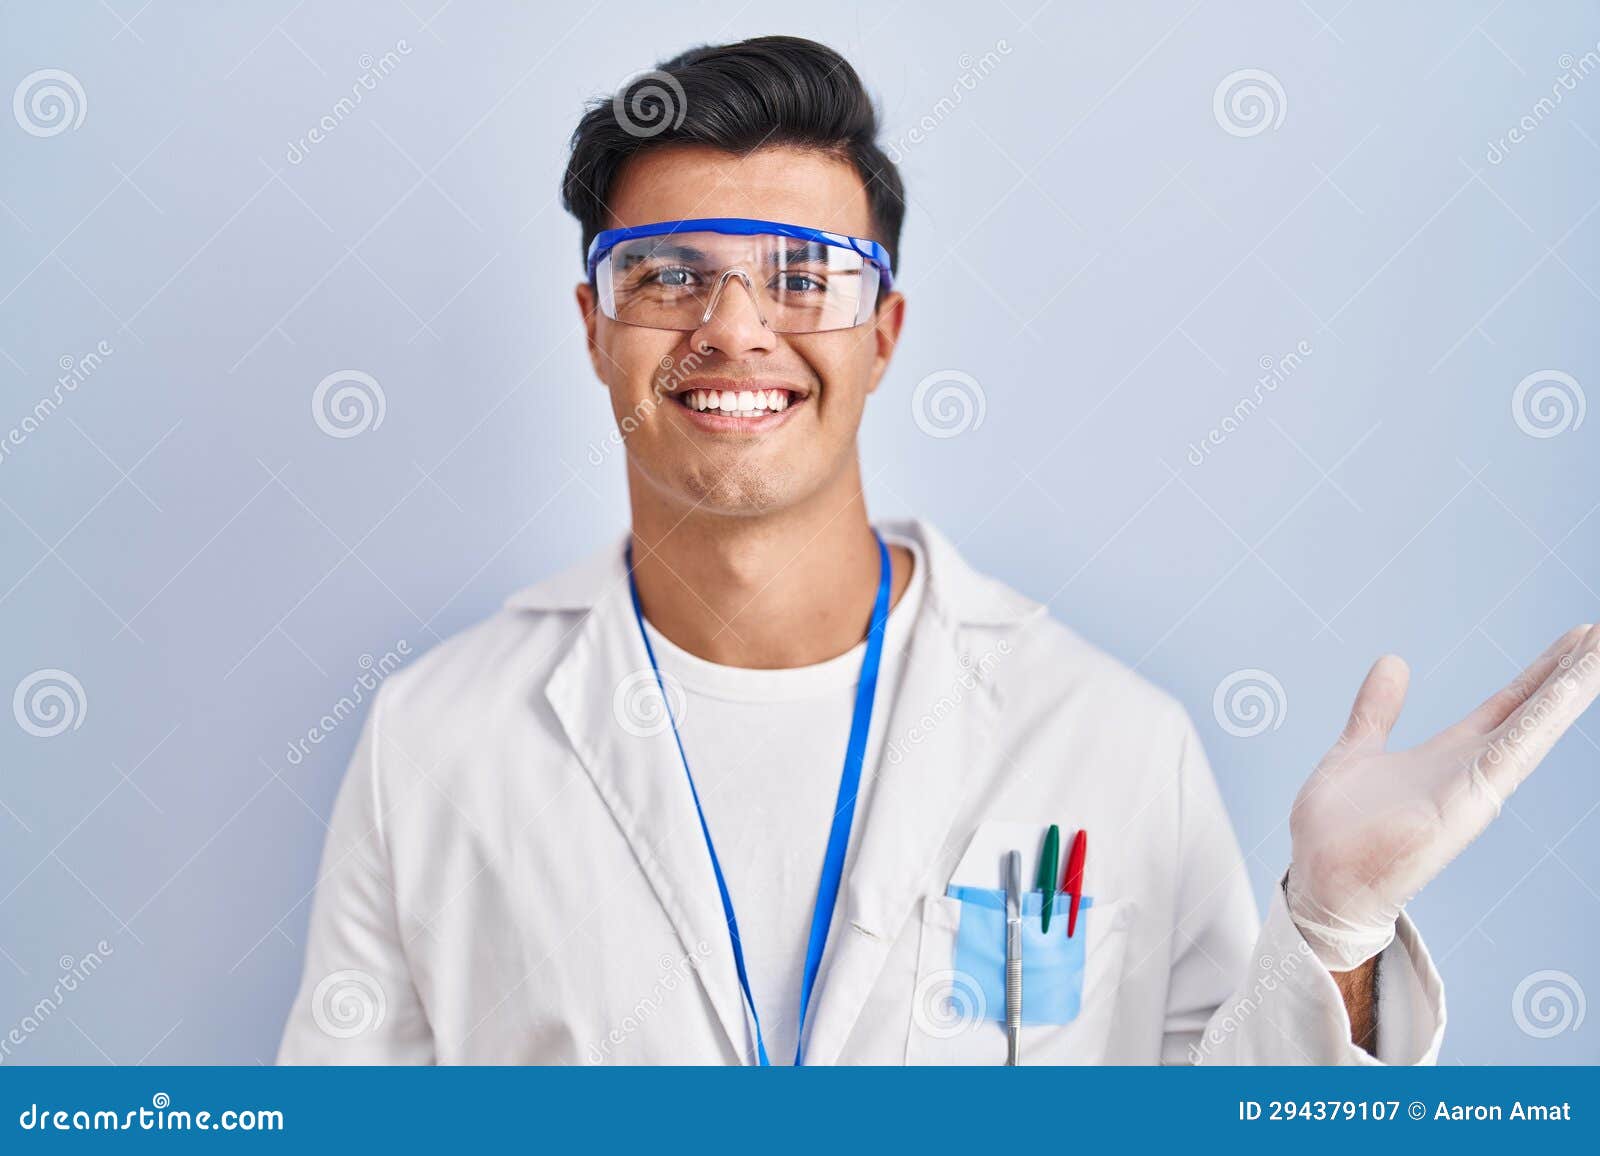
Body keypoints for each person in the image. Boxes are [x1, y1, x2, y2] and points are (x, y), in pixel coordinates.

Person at [277, 36, 1600, 1065]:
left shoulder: (1106, 739)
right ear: (591, 324)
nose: (735, 328)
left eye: (805, 277)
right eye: (668, 274)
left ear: (886, 333)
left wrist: (1337, 932)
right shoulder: (436, 739)